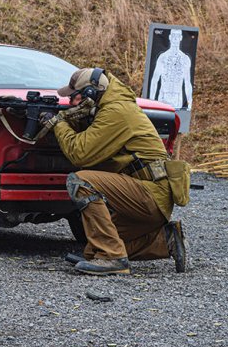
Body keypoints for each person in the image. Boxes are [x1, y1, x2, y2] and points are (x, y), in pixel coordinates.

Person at [41, 68, 189, 276]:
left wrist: (58, 124)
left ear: (92, 93)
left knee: (81, 181)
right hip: (147, 193)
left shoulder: (116, 111)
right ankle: (165, 240)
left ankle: (112, 259)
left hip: (151, 194)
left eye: (77, 97)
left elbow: (80, 153)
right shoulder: (111, 107)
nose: (74, 102)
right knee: (95, 247)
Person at [149, 29, 193, 110]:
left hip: (177, 100)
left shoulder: (185, 59)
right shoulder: (163, 57)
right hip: (163, 99)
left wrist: (190, 103)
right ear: (170, 37)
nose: (175, 39)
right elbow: (155, 80)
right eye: (173, 36)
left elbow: (187, 82)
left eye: (177, 36)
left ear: (181, 38)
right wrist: (151, 101)